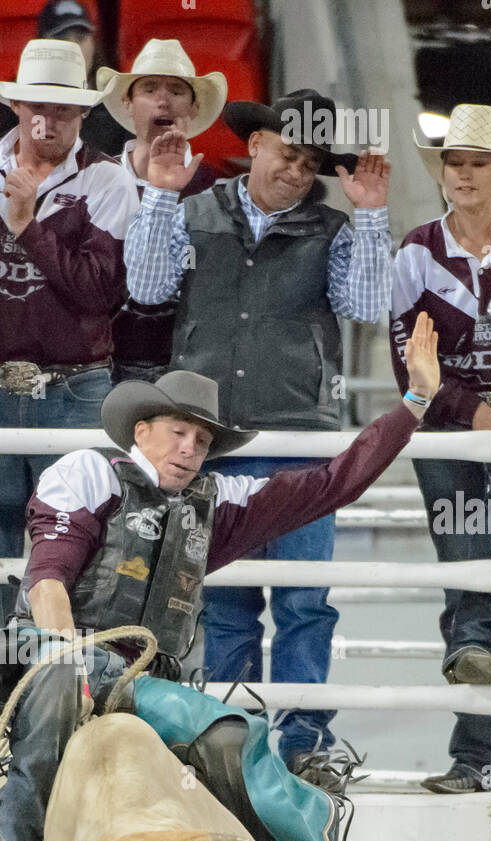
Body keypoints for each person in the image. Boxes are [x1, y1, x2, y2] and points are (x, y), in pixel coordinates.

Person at [0, 315, 442, 841]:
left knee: (238, 738)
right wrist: (70, 652)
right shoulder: (89, 473)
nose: (190, 448)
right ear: (141, 430)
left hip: (149, 678)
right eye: (178, 431)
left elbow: (332, 483)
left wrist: (413, 404)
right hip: (54, 646)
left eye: (202, 438)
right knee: (61, 683)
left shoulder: (215, 506)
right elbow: (49, 578)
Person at [125, 89, 392, 782]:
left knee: (302, 597)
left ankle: (302, 743)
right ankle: (229, 738)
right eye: (288, 153)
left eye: (310, 162)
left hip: (297, 434)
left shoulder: (334, 226)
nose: (298, 171)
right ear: (255, 146)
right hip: (216, 438)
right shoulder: (190, 208)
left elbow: (367, 306)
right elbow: (147, 287)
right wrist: (158, 195)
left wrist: (370, 216)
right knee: (225, 597)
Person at [0, 38, 137, 786]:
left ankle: (72, 745)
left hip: (74, 390)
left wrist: (25, 227)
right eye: (39, 103)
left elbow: (101, 292)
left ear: (82, 110)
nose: (50, 118)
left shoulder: (108, 181)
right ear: (16, 104)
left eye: (65, 106)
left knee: (76, 569)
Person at [392, 105, 491, 794]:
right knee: (469, 570)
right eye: (452, 162)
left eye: (477, 163)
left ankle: (482, 752)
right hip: (451, 428)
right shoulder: (416, 251)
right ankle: (475, 755)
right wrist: (479, 410)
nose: (462, 174)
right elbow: (412, 358)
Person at [96, 38, 226, 384]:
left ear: (194, 107)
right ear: (127, 102)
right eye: (149, 88)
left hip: (185, 363)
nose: (162, 99)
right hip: (96, 366)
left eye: (176, 90)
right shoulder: (94, 180)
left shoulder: (214, 191)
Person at [0, 1, 127, 157]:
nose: (74, 48)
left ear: (94, 42)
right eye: (63, 39)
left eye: (81, 38)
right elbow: (5, 160)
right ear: (41, 43)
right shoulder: (17, 100)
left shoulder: (116, 100)